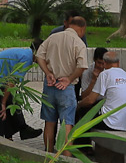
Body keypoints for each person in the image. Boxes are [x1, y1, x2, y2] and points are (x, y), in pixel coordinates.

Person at [34, 14, 89, 152]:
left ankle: (48, 155)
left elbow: (39, 56)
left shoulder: (53, 37)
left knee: (49, 123)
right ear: (82, 28)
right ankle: (66, 157)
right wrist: (69, 79)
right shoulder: (79, 43)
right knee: (67, 124)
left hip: (50, 85)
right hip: (66, 87)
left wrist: (48, 73)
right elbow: (82, 66)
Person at [0, 46, 43, 140]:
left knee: (10, 101)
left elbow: (11, 85)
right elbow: (12, 82)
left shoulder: (25, 53)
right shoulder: (27, 58)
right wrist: (3, 103)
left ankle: (10, 136)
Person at [77, 50, 126, 139]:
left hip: (110, 123)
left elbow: (90, 100)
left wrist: (78, 105)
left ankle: (82, 145)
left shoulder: (105, 74)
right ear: (118, 62)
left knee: (83, 112)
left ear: (104, 64)